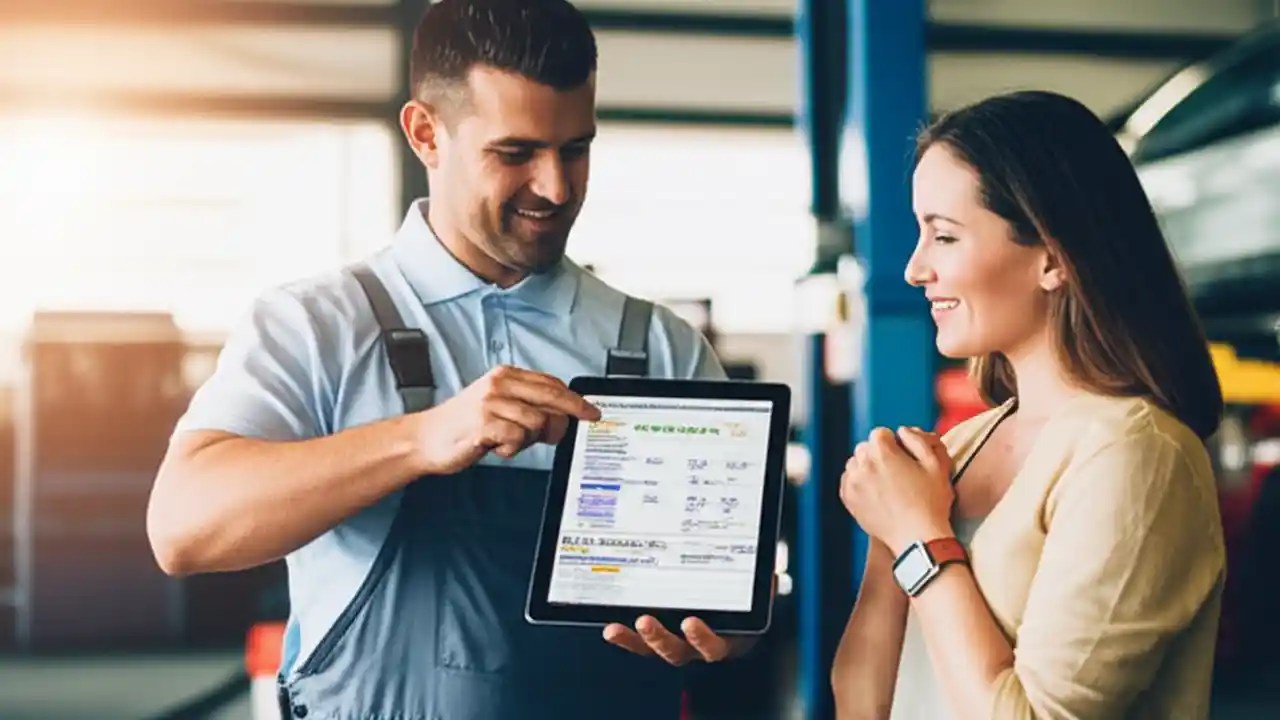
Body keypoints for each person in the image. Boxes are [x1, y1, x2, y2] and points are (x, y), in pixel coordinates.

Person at [145, 1, 752, 718]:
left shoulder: (660, 348)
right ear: (426, 134)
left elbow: (735, 607)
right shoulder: (314, 327)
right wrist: (423, 438)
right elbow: (183, 529)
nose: (556, 188)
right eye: (516, 153)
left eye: (576, 148)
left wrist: (724, 631)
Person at [830, 90, 1226, 719]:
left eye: (945, 236)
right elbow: (864, 698)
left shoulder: (1138, 455)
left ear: (1051, 256)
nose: (914, 268)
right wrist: (891, 530)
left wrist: (916, 535)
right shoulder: (960, 446)